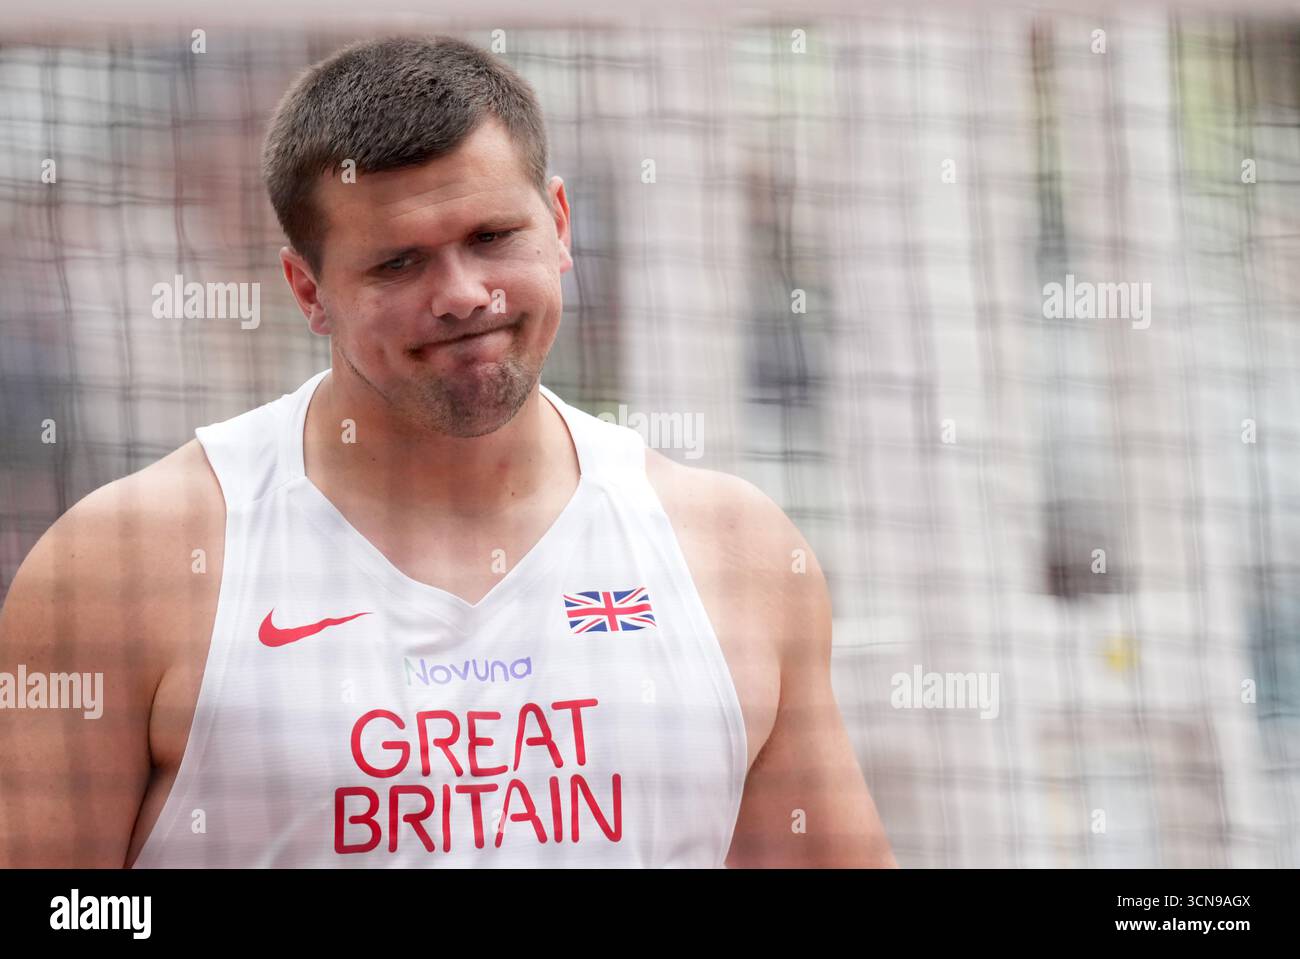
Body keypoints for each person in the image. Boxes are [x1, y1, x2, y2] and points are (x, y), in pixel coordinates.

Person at [0, 34, 896, 868]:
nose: (463, 294)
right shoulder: (122, 564)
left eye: (492, 238)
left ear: (559, 224)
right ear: (308, 290)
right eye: (399, 263)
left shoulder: (733, 549)